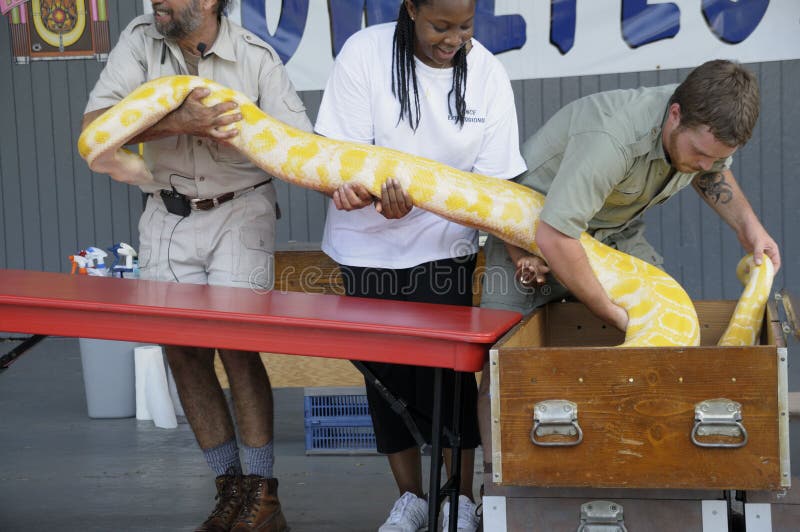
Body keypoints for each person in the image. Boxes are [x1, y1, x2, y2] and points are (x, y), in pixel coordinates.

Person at [477, 59, 782, 482]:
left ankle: (637, 467)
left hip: (610, 231)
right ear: (675, 115)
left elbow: (713, 173)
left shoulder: (701, 127)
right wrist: (613, 312)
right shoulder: (612, 138)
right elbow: (556, 237)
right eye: (698, 153)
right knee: (502, 367)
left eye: (716, 158)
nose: (703, 164)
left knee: (670, 343)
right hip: (532, 233)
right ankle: (498, 487)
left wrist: (751, 229)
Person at [81, 1, 312, 531]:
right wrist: (180, 122)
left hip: (241, 207)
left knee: (237, 345)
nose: (156, 2)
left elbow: (302, 145)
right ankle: (229, 489)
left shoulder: (255, 57)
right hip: (167, 211)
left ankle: (262, 495)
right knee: (182, 353)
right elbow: (95, 127)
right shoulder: (139, 42)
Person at [315, 0, 526, 530]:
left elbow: (496, 182)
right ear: (410, 9)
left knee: (448, 377)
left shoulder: (487, 74)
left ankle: (458, 495)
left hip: (445, 249)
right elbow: (337, 154)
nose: (454, 39)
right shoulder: (364, 55)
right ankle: (411, 498)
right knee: (384, 379)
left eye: (465, 26)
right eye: (440, 26)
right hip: (365, 248)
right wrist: (346, 188)